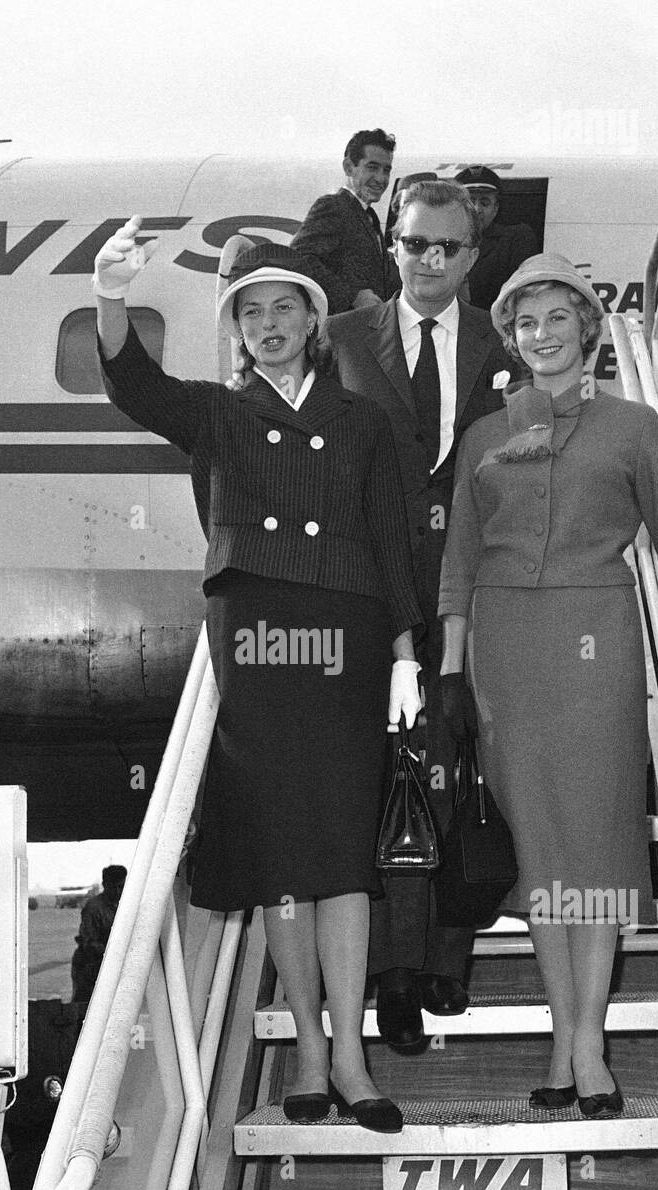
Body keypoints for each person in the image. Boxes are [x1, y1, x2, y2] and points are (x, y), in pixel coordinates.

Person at [93, 221, 424, 1132]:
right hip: (258, 636)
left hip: (346, 629)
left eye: (287, 307)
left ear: (315, 322)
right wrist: (111, 297)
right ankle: (310, 1057)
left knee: (344, 851)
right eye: (253, 311)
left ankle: (353, 1061)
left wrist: (404, 653)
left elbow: (394, 541)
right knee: (283, 849)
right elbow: (134, 384)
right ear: (235, 328)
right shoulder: (217, 411)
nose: (270, 323)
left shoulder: (362, 422)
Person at [437, 252, 658, 1117]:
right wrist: (450, 675)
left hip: (598, 641)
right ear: (511, 338)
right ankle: (569, 1044)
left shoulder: (633, 427)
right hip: (506, 652)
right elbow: (458, 562)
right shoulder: (484, 438)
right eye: (526, 322)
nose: (542, 334)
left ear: (590, 328)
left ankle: (586, 1048)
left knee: (594, 849)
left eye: (559, 317)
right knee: (542, 852)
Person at [328, 178, 516, 1049]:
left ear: (472, 257)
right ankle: (395, 976)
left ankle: (450, 957)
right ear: (392, 247)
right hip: (374, 593)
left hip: (474, 588)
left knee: (461, 770)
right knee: (395, 774)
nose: (429, 260)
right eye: (413, 245)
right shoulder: (340, 341)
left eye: (448, 246)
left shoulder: (500, 343)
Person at [290, 127, 399, 314]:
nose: (381, 179)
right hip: (342, 331)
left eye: (386, 170)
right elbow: (298, 257)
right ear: (349, 167)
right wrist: (351, 296)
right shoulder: (334, 206)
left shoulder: (368, 215)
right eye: (372, 167)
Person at [455, 165, 540, 312]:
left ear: (496, 208)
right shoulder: (440, 242)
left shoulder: (514, 239)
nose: (477, 209)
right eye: (470, 201)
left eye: (485, 202)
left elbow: (523, 295)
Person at [71, 865, 126, 1003]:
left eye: (122, 886)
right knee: (85, 1008)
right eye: (115, 887)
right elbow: (89, 943)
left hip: (112, 965)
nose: (118, 891)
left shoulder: (125, 906)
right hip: (89, 966)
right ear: (105, 885)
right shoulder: (93, 907)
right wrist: (115, 952)